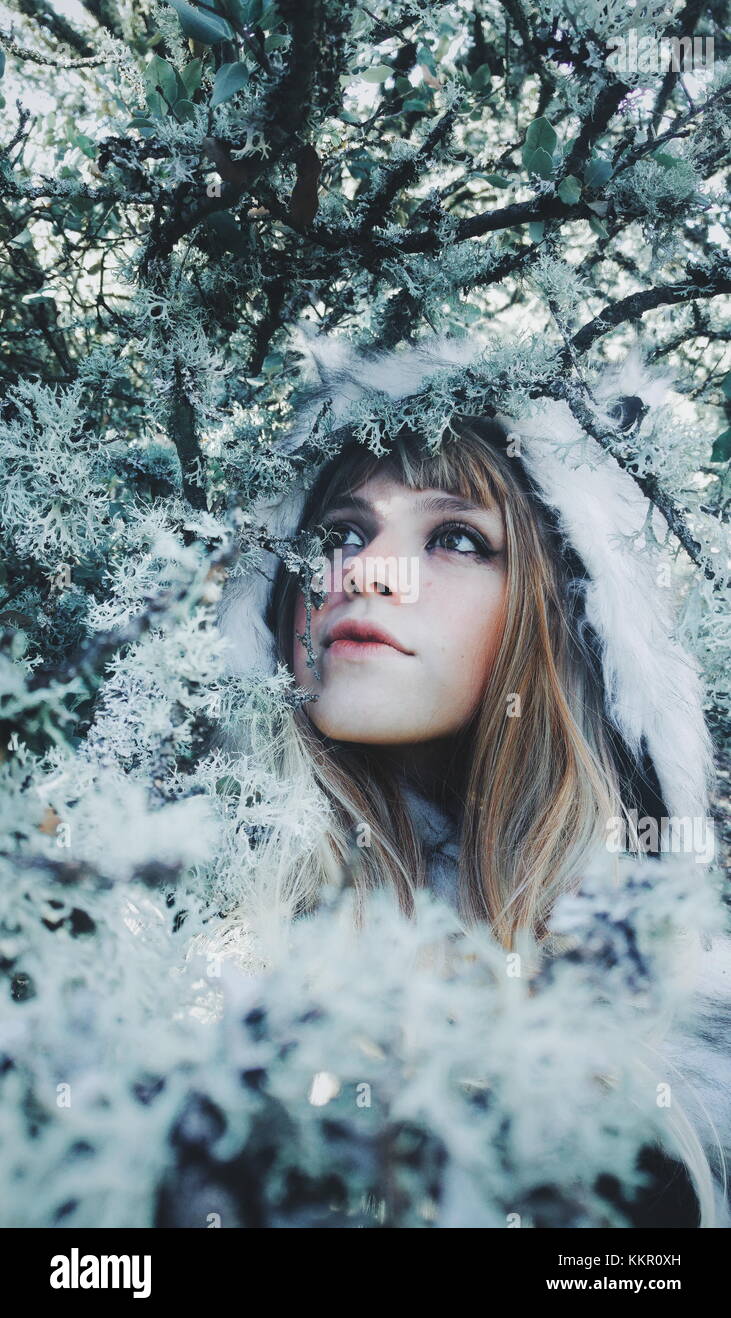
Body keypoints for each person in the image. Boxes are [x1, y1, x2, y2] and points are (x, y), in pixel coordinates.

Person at [214, 330, 731, 1227]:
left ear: (556, 621)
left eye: (455, 537)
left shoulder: (687, 1033)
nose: (363, 569)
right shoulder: (156, 936)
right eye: (337, 533)